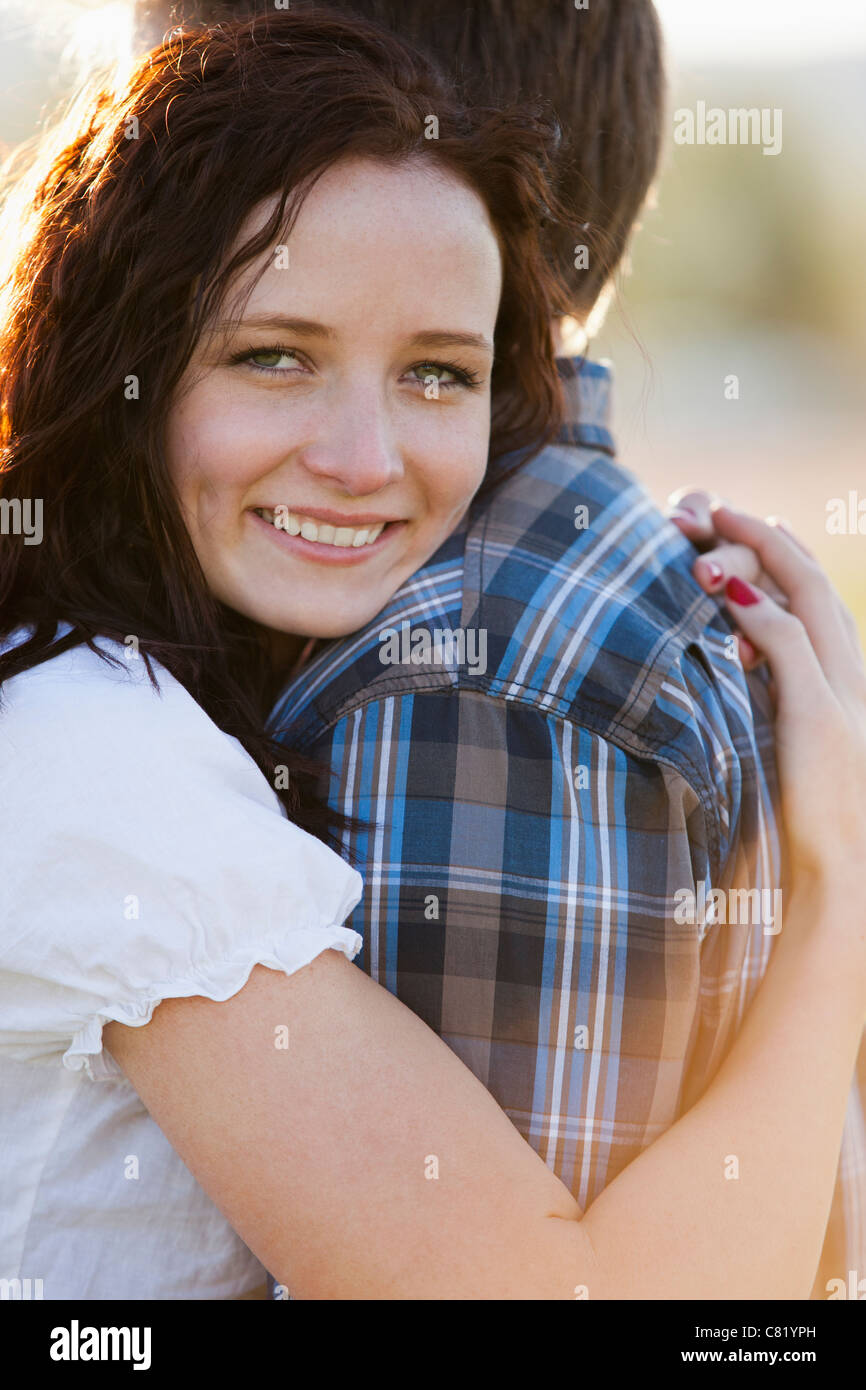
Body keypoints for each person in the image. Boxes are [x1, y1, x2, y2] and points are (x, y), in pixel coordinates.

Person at [0, 11, 863, 1301]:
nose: (365, 461)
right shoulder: (103, 773)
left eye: (439, 375)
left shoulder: (139, 686)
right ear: (132, 360)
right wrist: (838, 895)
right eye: (274, 355)